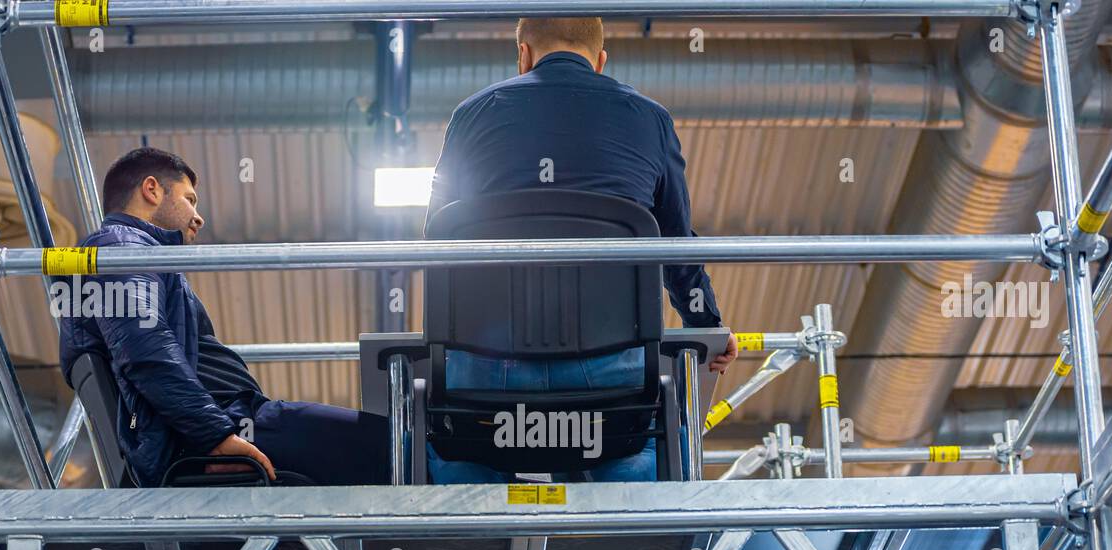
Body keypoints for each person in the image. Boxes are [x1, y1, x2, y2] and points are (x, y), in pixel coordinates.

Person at [424, 16, 738, 483]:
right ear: (600, 61)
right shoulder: (650, 118)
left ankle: (477, 537)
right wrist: (708, 327)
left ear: (524, 56)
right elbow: (675, 246)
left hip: (490, 377)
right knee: (656, 437)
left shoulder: (473, 114)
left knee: (447, 443)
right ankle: (635, 537)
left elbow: (436, 243)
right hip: (610, 379)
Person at [58, 147, 389, 488]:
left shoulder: (128, 253)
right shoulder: (120, 247)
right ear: (152, 189)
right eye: (190, 199)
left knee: (385, 452)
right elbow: (145, 350)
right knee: (393, 448)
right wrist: (215, 436)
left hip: (224, 422)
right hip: (219, 429)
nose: (198, 217)